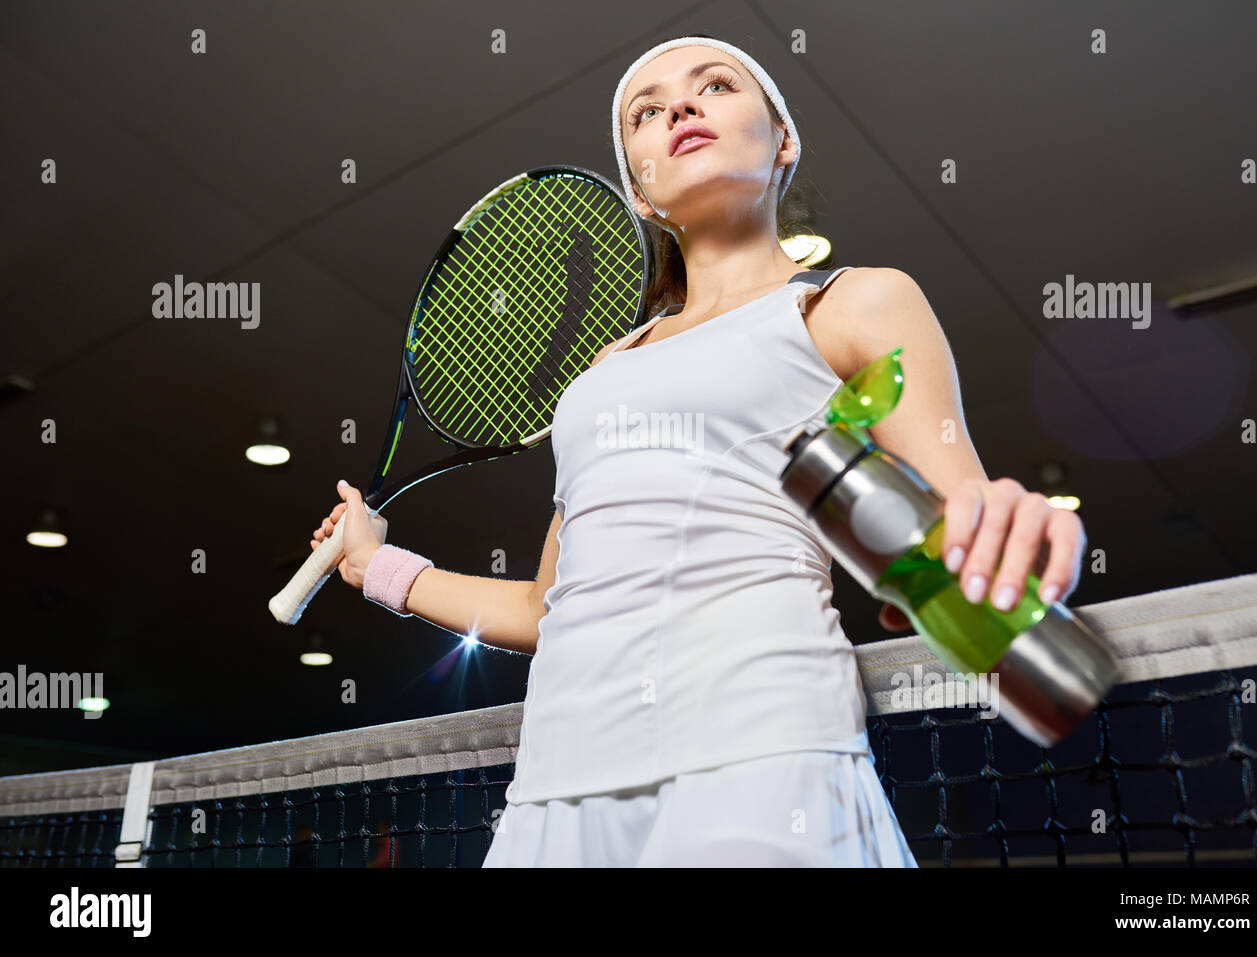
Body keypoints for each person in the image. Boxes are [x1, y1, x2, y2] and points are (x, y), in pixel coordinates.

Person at [308, 34, 1087, 867]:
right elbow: (550, 606)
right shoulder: (602, 374)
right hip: (555, 789)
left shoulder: (852, 305)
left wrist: (1007, 539)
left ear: (783, 139)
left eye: (713, 86)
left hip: (763, 760)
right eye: (646, 111)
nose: (678, 108)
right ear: (641, 191)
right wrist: (377, 570)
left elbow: (960, 523)